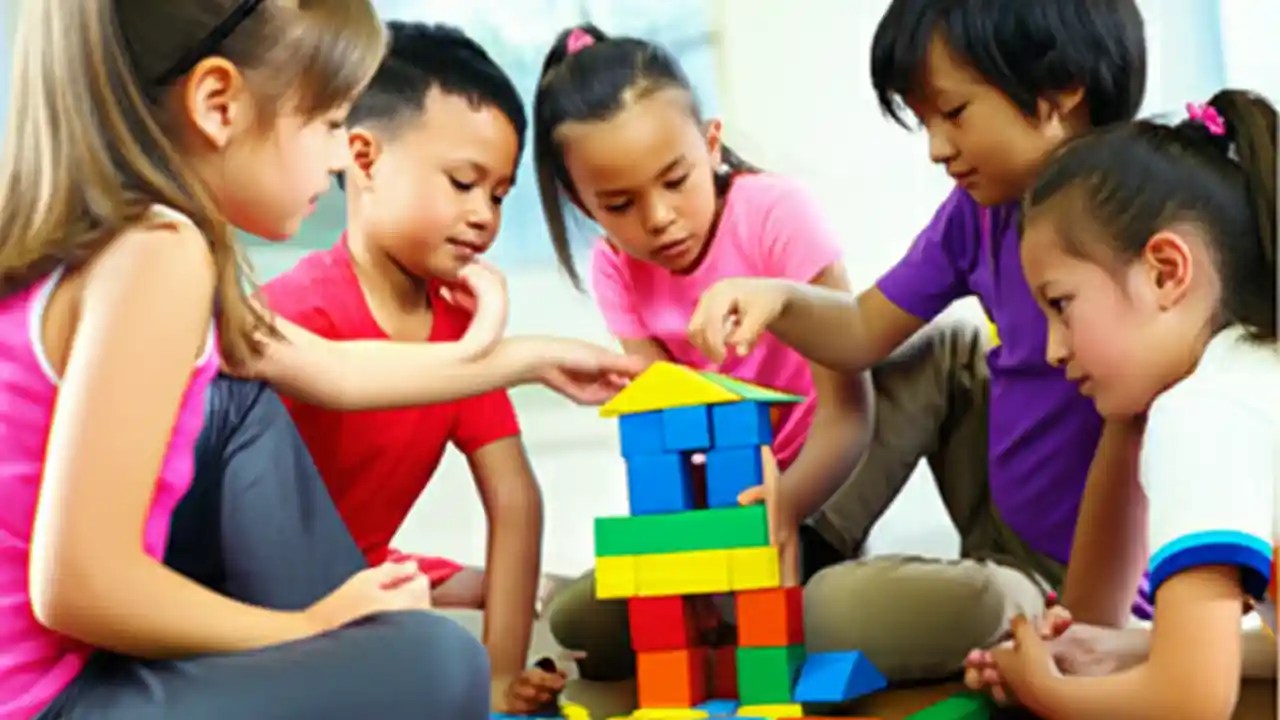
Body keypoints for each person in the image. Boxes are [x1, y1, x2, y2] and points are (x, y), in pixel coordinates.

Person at [0, 2, 635, 718]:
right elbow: (78, 585)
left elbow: (338, 371)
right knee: (440, 661)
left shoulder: (110, 246)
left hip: (69, 674)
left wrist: (528, 354)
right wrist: (305, 628)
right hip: (55, 698)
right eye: (329, 125)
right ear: (217, 105)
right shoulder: (160, 252)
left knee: (243, 395)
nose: (339, 156)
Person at [685, 0, 1151, 681]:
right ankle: (802, 546)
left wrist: (1086, 636)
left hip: (1069, 587)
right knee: (936, 354)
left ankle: (811, 599)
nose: (936, 147)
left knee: (839, 612)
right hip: (997, 524)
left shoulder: (1141, 227)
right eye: (926, 121)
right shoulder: (980, 213)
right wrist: (777, 297)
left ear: (1059, 89)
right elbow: (860, 330)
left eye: (954, 114)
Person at [259, 21, 588, 714]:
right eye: (463, 183)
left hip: (371, 570)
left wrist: (503, 675)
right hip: (273, 595)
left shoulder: (458, 324)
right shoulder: (293, 318)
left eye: (498, 195)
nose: (483, 216)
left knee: (554, 594)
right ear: (363, 158)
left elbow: (515, 498)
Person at [534, 23, 873, 681]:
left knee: (813, 626)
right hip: (731, 493)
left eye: (675, 180)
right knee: (583, 622)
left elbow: (851, 415)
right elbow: (669, 431)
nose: (658, 218)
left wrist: (782, 511)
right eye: (620, 203)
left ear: (711, 143)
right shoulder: (615, 269)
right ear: (583, 203)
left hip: (824, 467)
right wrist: (681, 551)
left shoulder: (775, 211)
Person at [968, 90, 1277, 720]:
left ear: (1165, 272)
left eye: (1060, 305)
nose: (1054, 349)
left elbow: (1191, 701)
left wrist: (1050, 694)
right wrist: (1126, 648)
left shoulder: (1206, 412)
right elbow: (1095, 616)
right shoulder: (1249, 373)